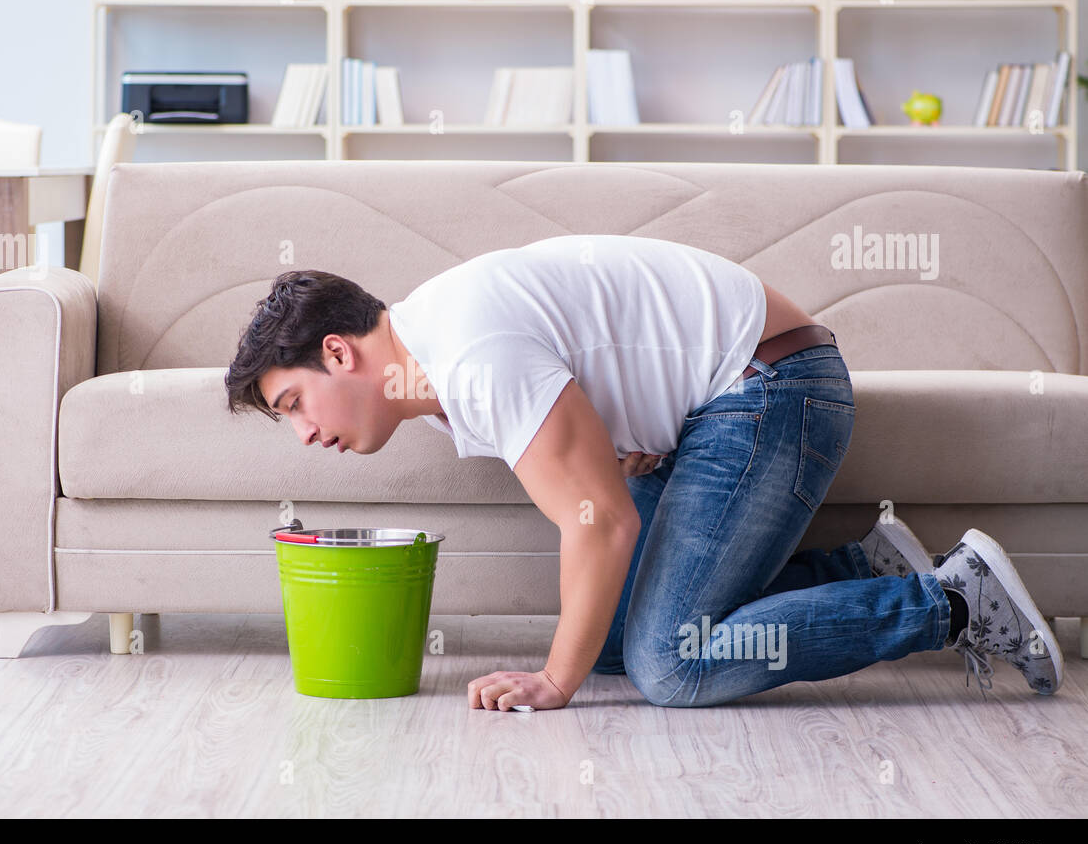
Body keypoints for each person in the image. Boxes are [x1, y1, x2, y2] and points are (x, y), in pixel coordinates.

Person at [225, 234, 1063, 711]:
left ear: (339, 352)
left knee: (671, 663)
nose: (305, 434)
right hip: (726, 402)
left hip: (776, 388)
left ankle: (952, 601)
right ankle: (862, 571)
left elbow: (600, 519)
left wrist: (554, 679)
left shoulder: (465, 353)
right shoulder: (436, 352)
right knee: (618, 643)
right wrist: (638, 422)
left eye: (295, 402)